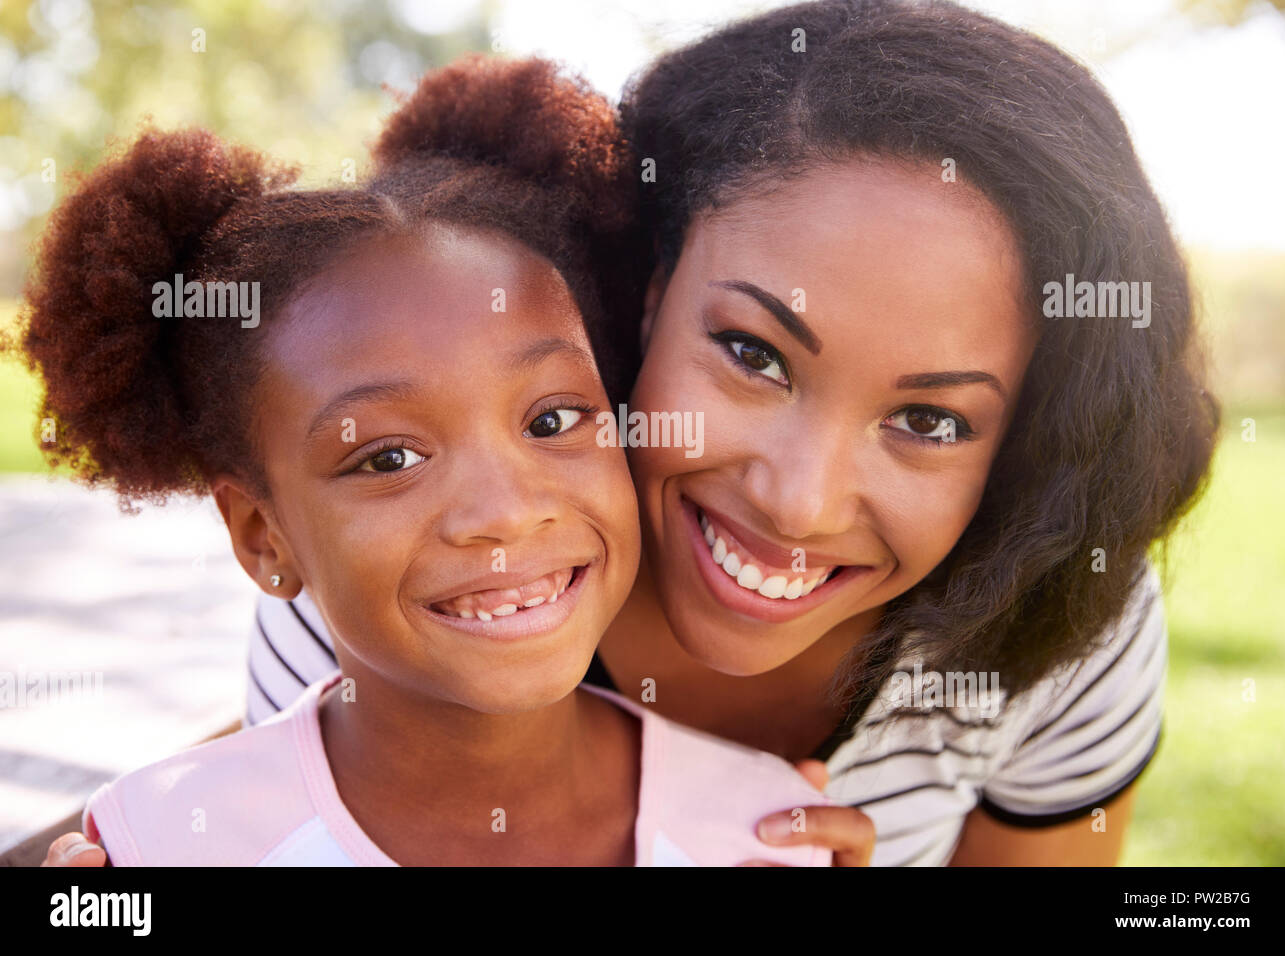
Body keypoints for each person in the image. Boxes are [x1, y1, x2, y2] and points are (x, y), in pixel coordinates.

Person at [46, 0, 1219, 868]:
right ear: (646, 293)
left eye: (927, 418)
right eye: (753, 353)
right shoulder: (410, 588)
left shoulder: (1064, 609)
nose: (800, 502)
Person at [20, 57, 832, 867]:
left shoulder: (762, 830)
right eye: (389, 458)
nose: (508, 512)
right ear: (265, 537)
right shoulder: (163, 845)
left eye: (552, 419)